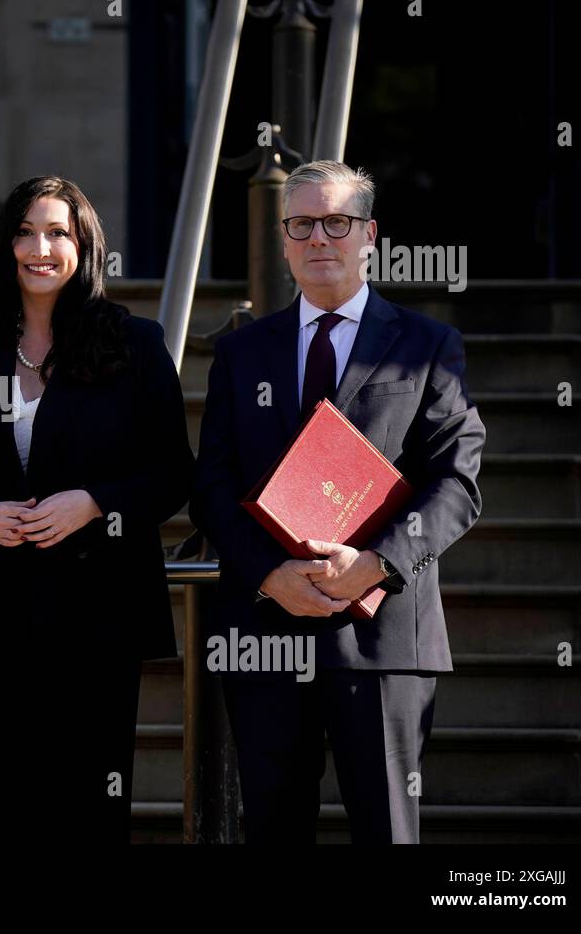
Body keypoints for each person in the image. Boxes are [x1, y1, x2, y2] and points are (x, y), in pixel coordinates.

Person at [190, 159, 485, 843]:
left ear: (370, 234)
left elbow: (458, 480)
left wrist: (376, 562)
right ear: (284, 239)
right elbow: (211, 484)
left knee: (387, 830)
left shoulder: (427, 346)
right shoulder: (240, 354)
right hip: (265, 632)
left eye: (337, 222)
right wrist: (268, 573)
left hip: (383, 637)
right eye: (301, 224)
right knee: (273, 830)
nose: (319, 237)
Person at [0, 176, 193, 842]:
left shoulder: (136, 344)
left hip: (98, 613)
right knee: (3, 807)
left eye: (57, 232)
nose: (40, 247)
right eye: (25, 231)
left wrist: (95, 502)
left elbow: (174, 471)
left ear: (83, 245)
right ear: (6, 243)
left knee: (89, 810)